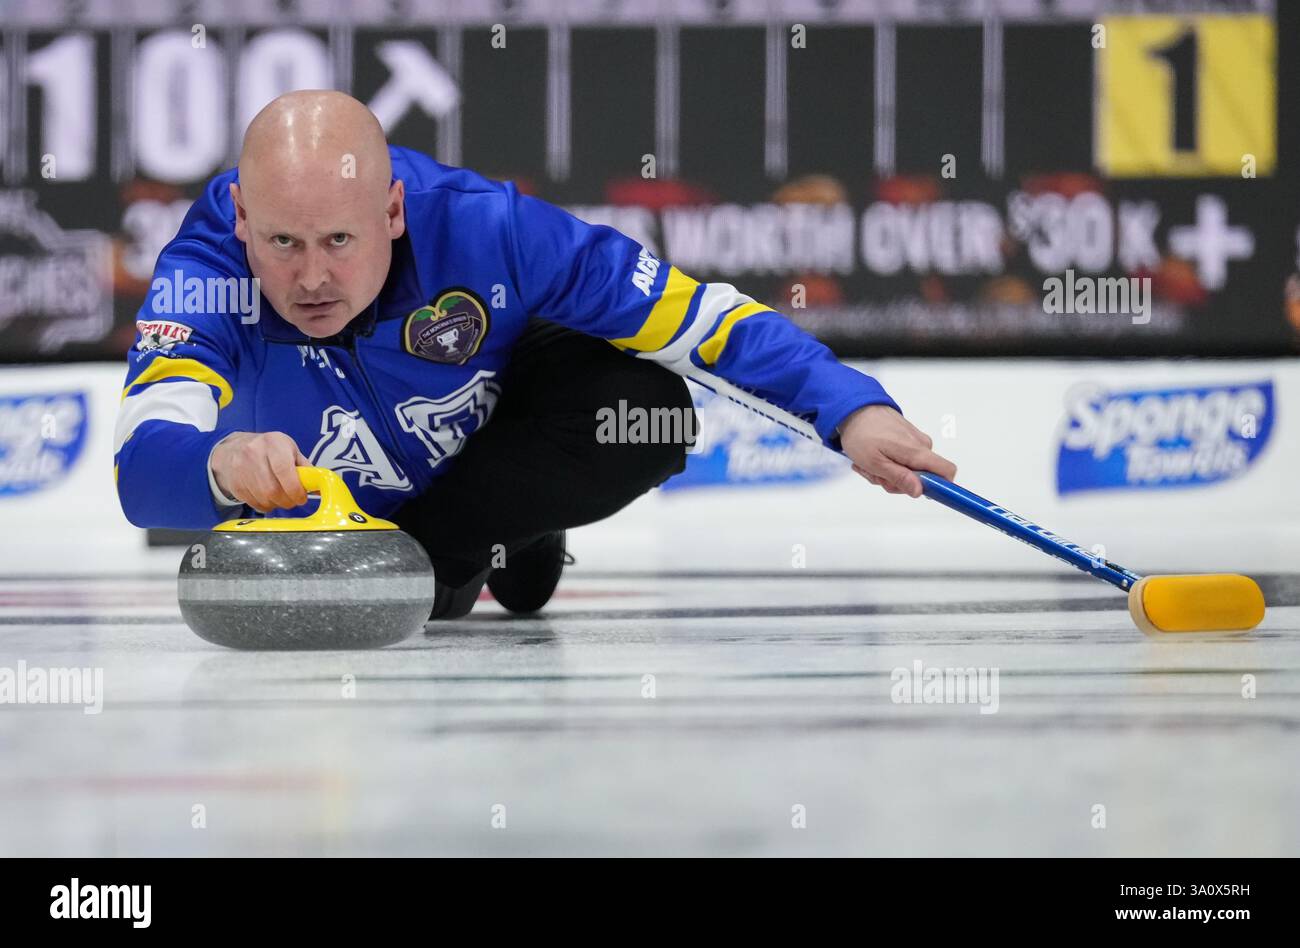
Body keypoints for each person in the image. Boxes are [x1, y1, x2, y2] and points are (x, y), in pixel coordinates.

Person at [114, 90, 956, 619]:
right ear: (241, 227)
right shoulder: (204, 274)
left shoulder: (491, 229)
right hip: (339, 519)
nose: (311, 278)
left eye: (340, 238)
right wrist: (221, 463)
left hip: (459, 486)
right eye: (283, 243)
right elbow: (141, 474)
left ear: (396, 210)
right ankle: (491, 550)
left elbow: (703, 320)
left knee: (649, 412)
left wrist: (851, 407)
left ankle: (484, 539)